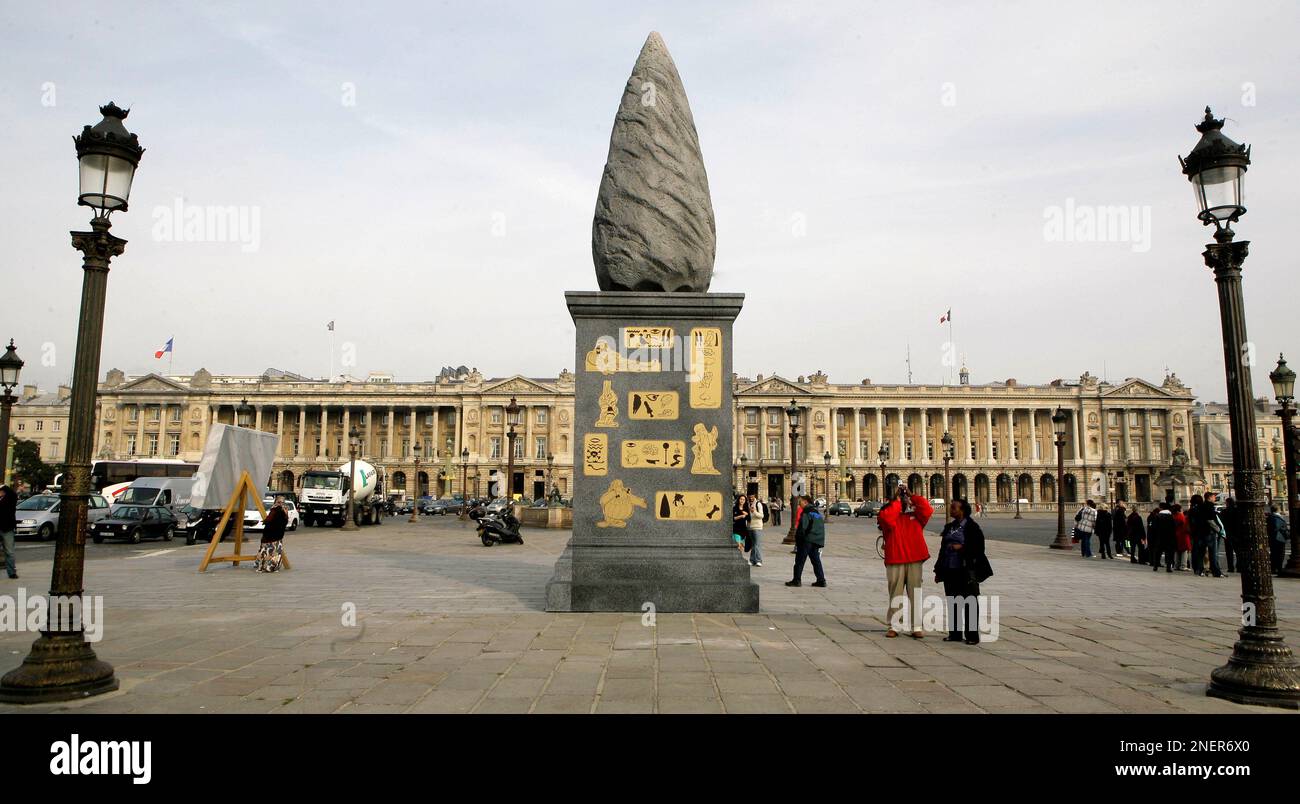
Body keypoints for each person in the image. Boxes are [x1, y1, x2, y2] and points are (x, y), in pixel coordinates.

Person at [877, 485, 932, 638]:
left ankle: (917, 626)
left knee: (915, 593)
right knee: (896, 594)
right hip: (895, 558)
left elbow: (927, 510)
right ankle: (895, 625)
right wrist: (896, 501)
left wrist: (912, 495)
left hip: (914, 558)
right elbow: (888, 519)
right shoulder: (886, 514)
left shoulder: (916, 516)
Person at [934, 499, 986, 645]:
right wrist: (938, 570)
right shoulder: (950, 527)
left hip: (966, 570)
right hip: (950, 568)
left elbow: (978, 549)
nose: (951, 509)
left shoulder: (972, 528)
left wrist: (961, 548)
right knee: (953, 601)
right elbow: (942, 549)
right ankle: (955, 633)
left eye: (954, 507)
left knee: (970, 602)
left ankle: (972, 635)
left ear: (962, 510)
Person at [786, 495, 826, 587]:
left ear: (805, 502)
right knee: (816, 560)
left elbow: (803, 527)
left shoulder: (806, 512)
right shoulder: (816, 512)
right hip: (816, 539)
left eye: (800, 502)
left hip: (807, 539)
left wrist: (798, 539)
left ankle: (796, 580)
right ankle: (821, 580)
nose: (799, 504)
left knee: (799, 560)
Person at [254, 495, 289, 573]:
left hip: (277, 536)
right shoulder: (274, 510)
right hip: (269, 535)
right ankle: (263, 567)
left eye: (282, 503)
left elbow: (284, 522)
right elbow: (269, 520)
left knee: (275, 553)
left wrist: (285, 513)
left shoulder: (283, 511)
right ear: (275, 502)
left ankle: (271, 567)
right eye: (279, 502)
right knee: (266, 551)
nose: (280, 504)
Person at [1150, 501, 1176, 573]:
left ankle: (1155, 566)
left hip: (1159, 537)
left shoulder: (1157, 516)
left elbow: (1154, 528)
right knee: (1169, 553)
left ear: (1161, 508)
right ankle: (1168, 567)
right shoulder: (1171, 517)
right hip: (1169, 538)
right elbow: (1174, 528)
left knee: (1158, 552)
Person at [1268, 505, 1290, 575]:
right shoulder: (1276, 517)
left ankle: (1273, 568)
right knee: (1280, 555)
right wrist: (1284, 530)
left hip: (1273, 538)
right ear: (1278, 509)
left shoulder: (1270, 516)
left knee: (1274, 554)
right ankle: (1278, 568)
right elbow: (1277, 526)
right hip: (1279, 538)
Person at [0, 485, 17, 579]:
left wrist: (4, 486)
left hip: (7, 528)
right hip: (4, 528)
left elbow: (13, 494)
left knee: (9, 552)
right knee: (9, 551)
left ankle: (12, 572)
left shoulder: (9, 499)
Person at [1221, 497, 1240, 573]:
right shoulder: (1237, 511)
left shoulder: (1224, 512)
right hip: (1236, 533)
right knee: (1238, 552)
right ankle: (1239, 566)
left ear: (1227, 503)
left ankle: (1230, 567)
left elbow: (1222, 522)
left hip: (1227, 533)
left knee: (1229, 552)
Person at [747, 493, 766, 567]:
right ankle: (753, 560)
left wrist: (754, 511)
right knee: (753, 544)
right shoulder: (747, 504)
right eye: (749, 497)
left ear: (755, 496)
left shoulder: (758, 504)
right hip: (749, 527)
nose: (751, 498)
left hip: (757, 527)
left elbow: (761, 515)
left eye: (752, 497)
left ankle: (758, 560)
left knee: (757, 544)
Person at [1172, 503, 1191, 571]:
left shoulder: (1173, 516)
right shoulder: (1181, 515)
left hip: (1176, 534)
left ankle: (1176, 565)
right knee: (1184, 550)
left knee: (1177, 550)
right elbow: (1185, 524)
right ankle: (1183, 565)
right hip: (1183, 534)